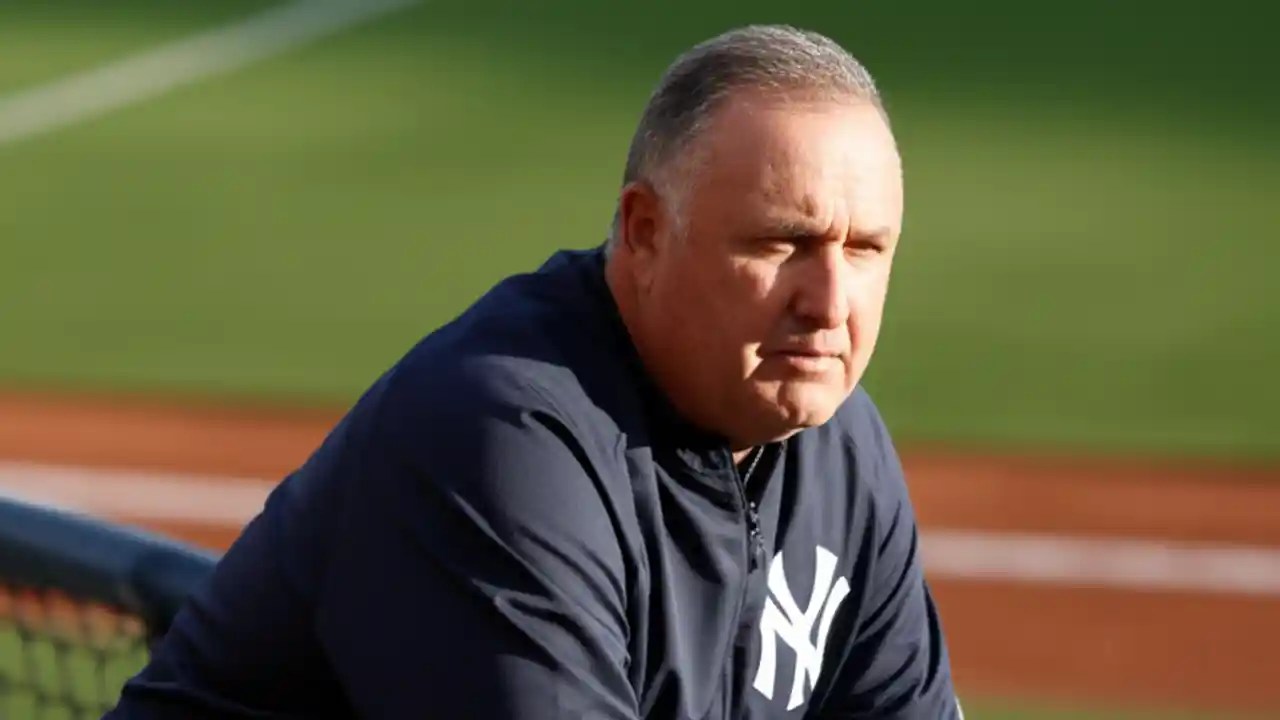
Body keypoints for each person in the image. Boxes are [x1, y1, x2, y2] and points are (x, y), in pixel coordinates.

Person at [107, 24, 960, 719]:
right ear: (644, 231)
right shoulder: (504, 438)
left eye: (866, 249)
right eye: (782, 243)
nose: (830, 300)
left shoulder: (841, 447)